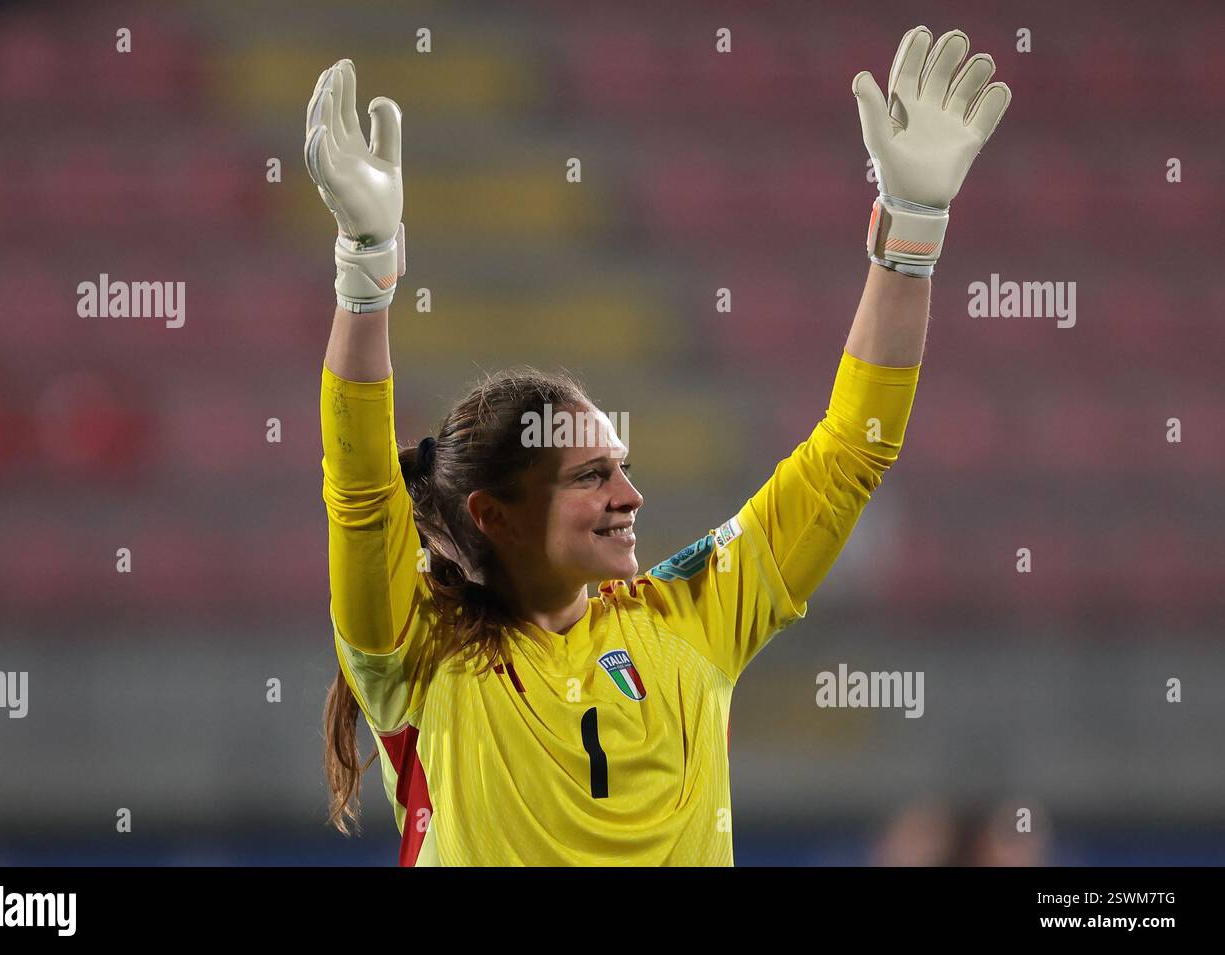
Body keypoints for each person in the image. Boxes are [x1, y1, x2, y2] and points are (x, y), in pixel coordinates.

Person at [307, 25, 1011, 865]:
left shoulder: (691, 620)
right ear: (495, 514)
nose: (630, 497)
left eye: (625, 470)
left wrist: (912, 231)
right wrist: (366, 271)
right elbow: (359, 493)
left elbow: (850, 454)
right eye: (592, 476)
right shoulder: (419, 654)